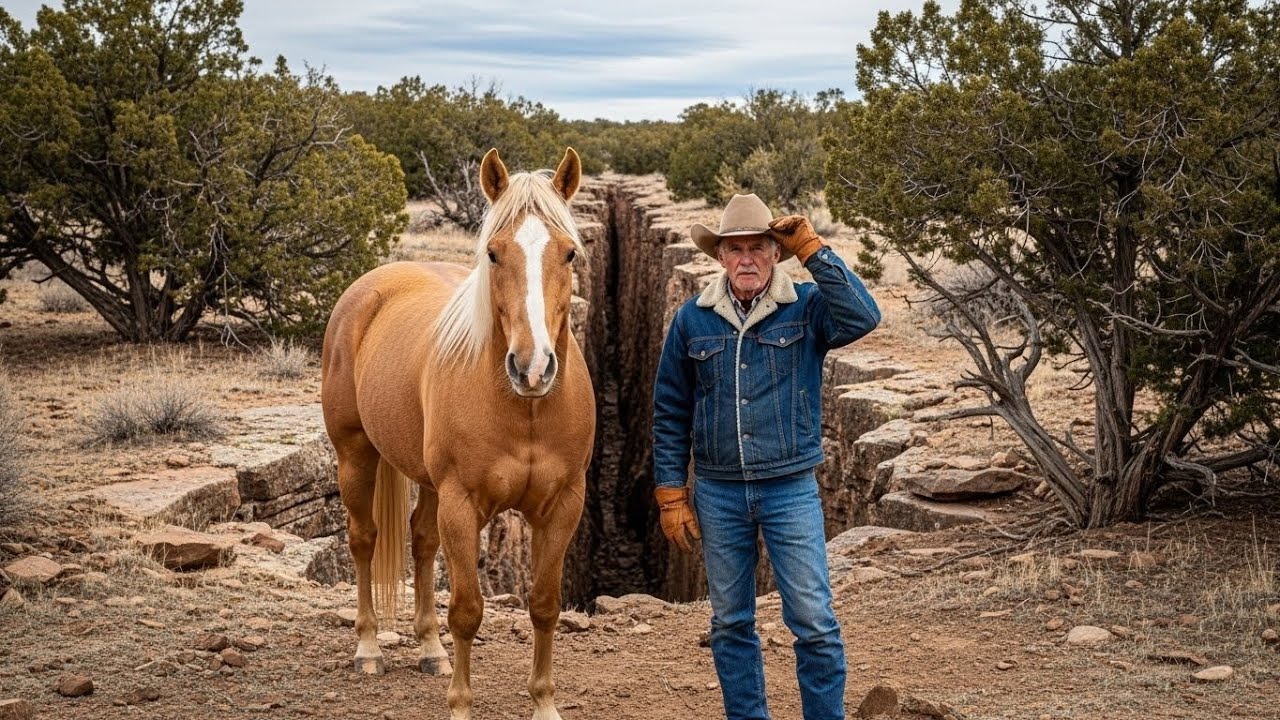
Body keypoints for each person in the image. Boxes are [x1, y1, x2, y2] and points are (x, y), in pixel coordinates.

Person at [651, 193, 881, 720]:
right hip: (718, 493)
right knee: (730, 623)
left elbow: (864, 316)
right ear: (720, 256)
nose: (747, 258)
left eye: (759, 247)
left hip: (789, 489)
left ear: (777, 253)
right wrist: (670, 492)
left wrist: (815, 252)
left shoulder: (807, 307)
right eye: (736, 249)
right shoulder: (692, 320)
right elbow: (670, 410)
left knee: (814, 622)